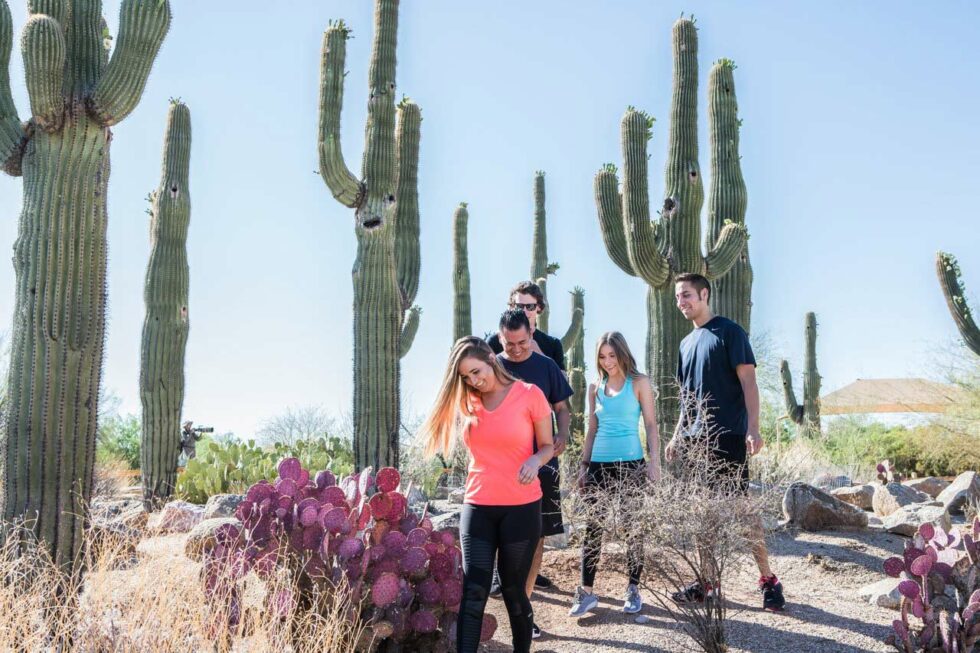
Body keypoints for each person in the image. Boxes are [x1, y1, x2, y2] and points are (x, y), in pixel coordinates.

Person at [421, 337, 554, 653]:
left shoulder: (529, 395)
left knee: (512, 590)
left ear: (492, 360)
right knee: (474, 593)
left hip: (521, 508)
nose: (474, 381)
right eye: (467, 377)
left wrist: (535, 460)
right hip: (478, 506)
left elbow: (548, 445)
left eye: (477, 372)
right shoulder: (467, 401)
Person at [664, 272, 786, 611]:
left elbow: (749, 382)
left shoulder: (730, 332)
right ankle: (707, 582)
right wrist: (676, 436)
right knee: (703, 512)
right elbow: (687, 397)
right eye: (678, 297)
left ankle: (768, 581)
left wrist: (754, 427)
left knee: (742, 511)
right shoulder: (686, 344)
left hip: (729, 436)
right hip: (695, 442)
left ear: (704, 294)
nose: (681, 302)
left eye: (687, 295)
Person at [569, 332, 660, 617]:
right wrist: (584, 466)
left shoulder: (639, 382)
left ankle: (633, 589)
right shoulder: (595, 387)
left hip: (631, 464)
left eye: (611, 355)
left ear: (622, 353)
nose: (607, 362)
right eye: (602, 356)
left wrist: (654, 461)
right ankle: (586, 593)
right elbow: (592, 429)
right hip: (598, 465)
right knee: (593, 529)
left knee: (633, 527)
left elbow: (651, 425)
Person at [494, 308, 572, 639]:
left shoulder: (546, 366)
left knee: (537, 534)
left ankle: (524, 609)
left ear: (531, 334)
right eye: (509, 344)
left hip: (542, 464)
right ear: (500, 338)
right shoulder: (492, 366)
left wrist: (563, 435)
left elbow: (562, 408)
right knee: (501, 535)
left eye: (522, 342)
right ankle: (510, 600)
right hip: (499, 468)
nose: (516, 350)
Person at [487, 281, 564, 595]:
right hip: (500, 451)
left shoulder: (551, 347)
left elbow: (557, 389)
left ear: (539, 310)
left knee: (539, 525)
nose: (523, 311)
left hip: (542, 448)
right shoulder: (493, 343)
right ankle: (500, 575)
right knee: (495, 518)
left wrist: (533, 347)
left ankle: (529, 583)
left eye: (529, 306)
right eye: (517, 306)